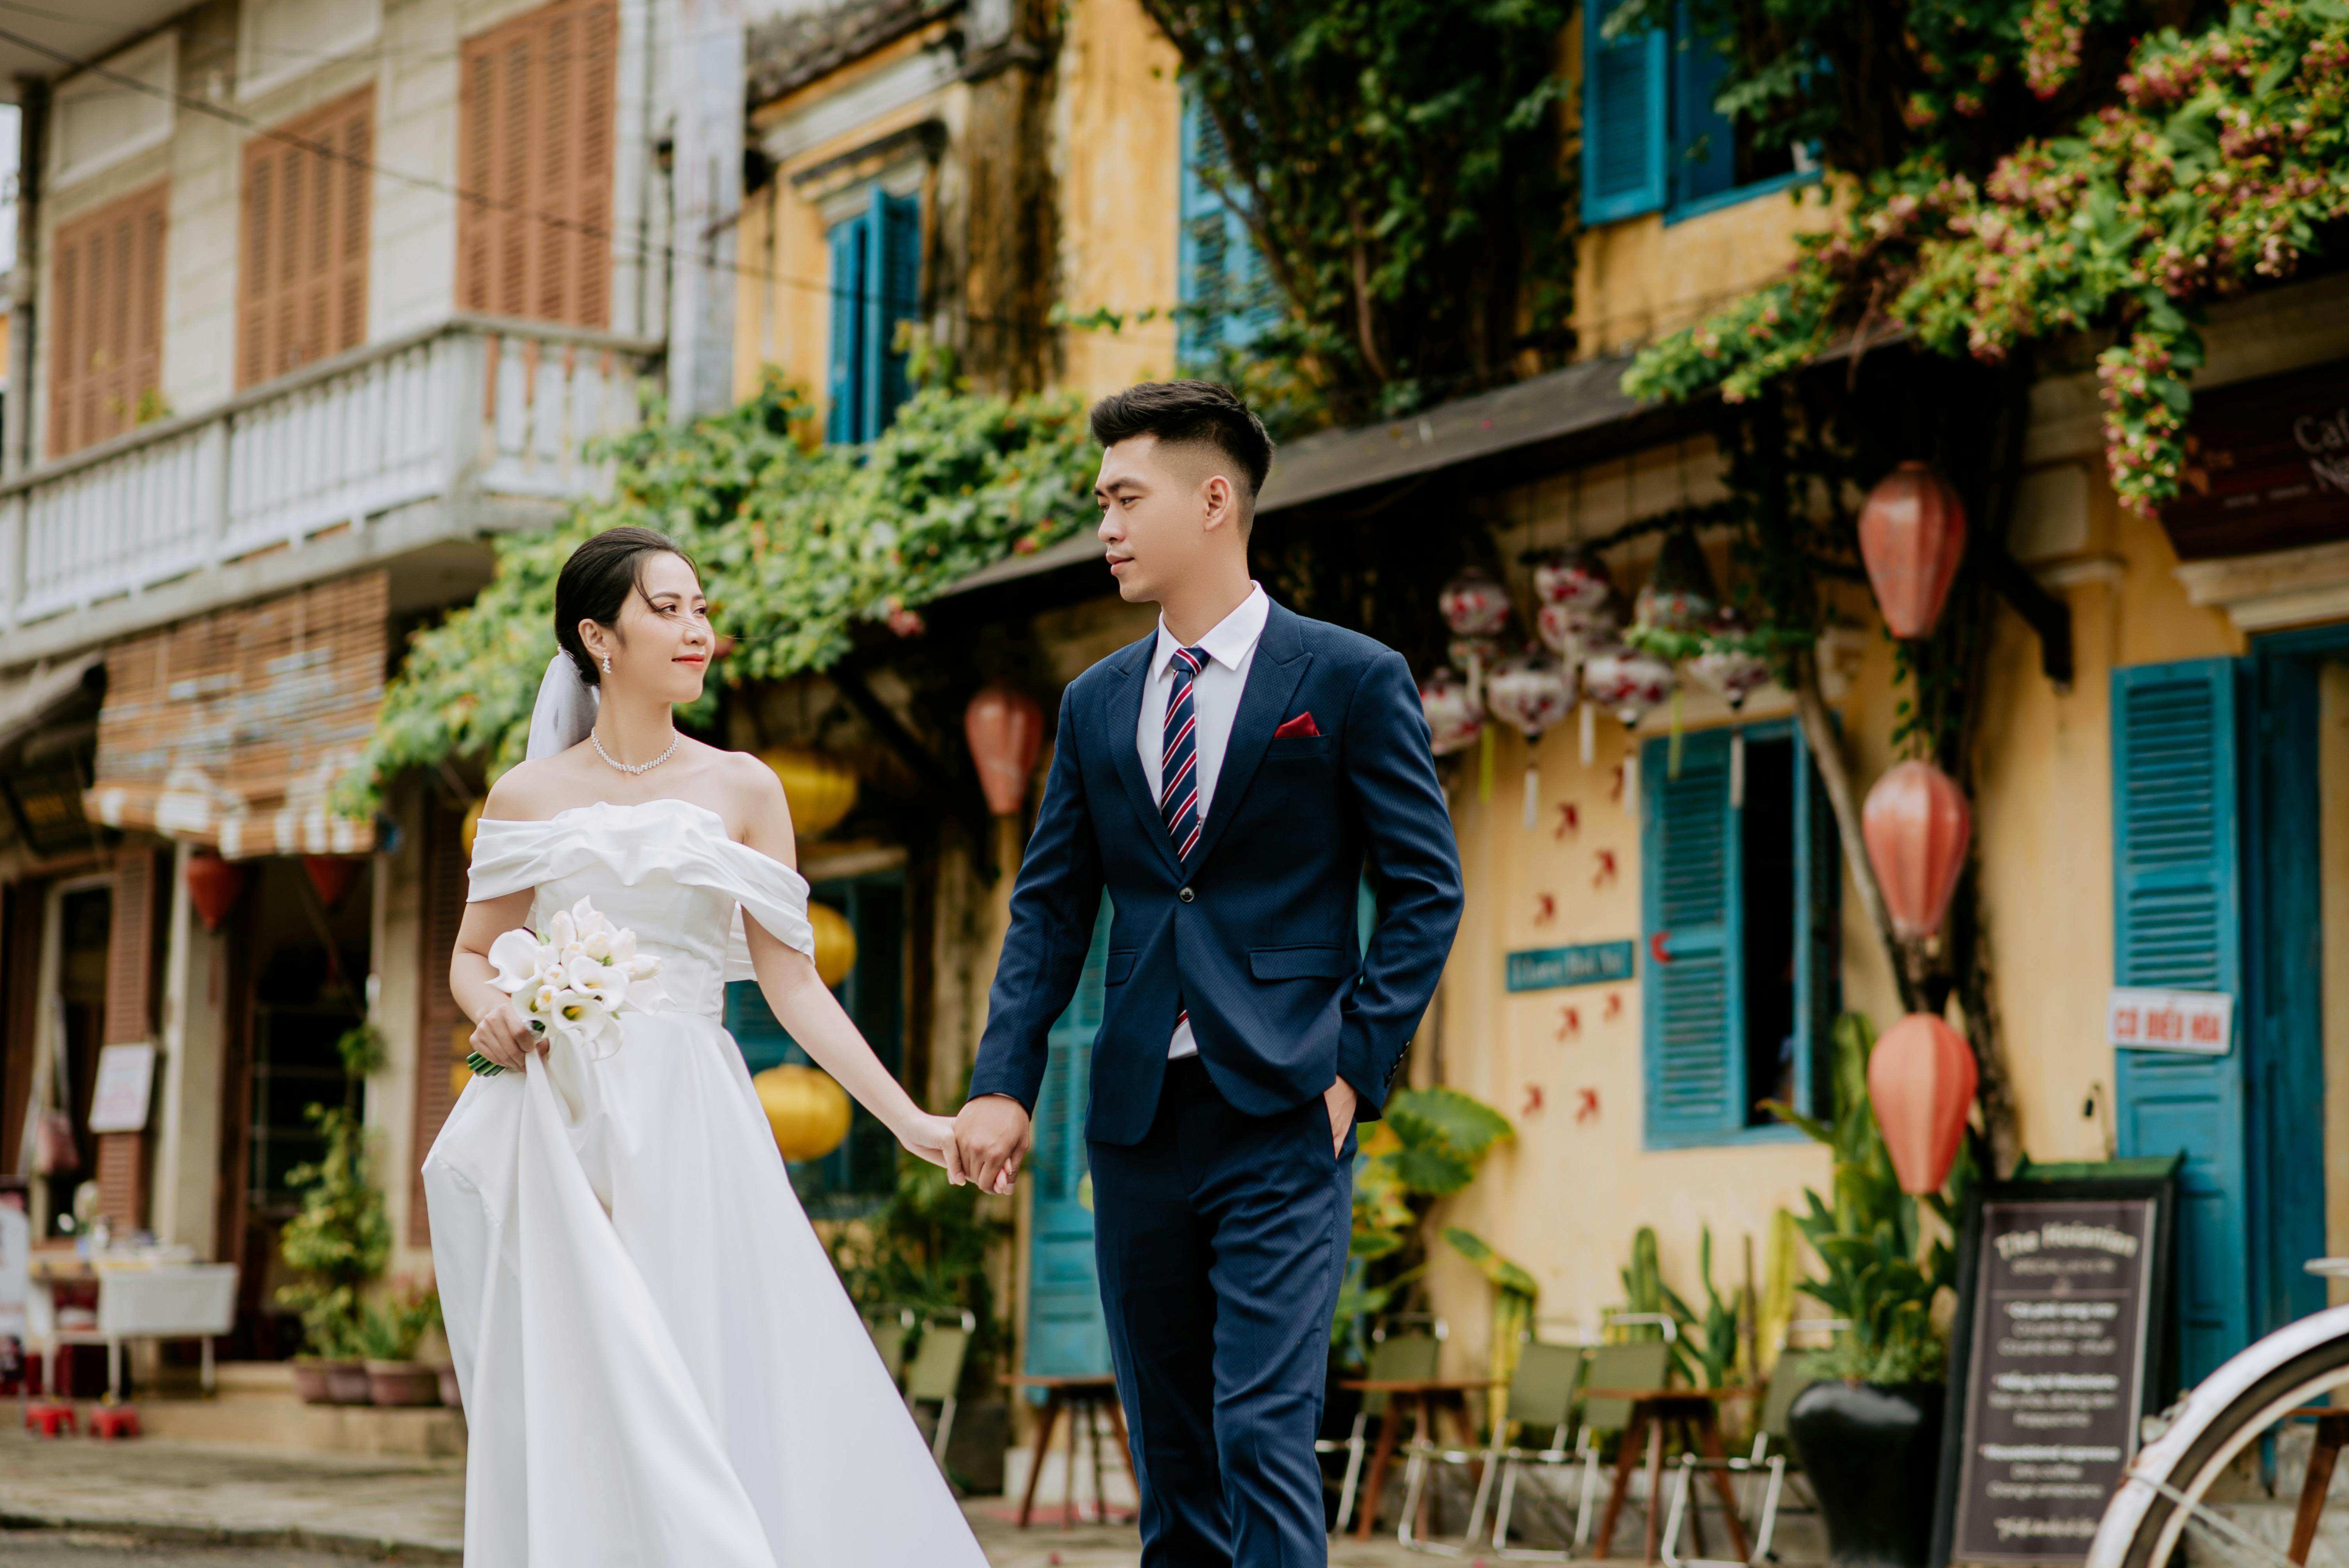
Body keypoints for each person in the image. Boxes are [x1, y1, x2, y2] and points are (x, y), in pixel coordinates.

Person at [948, 381, 1464, 1566]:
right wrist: (1003, 1083)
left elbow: (1426, 892)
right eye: (1102, 503)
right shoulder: (1095, 705)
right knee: (1172, 1458)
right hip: (1135, 1120)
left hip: (1286, 1109)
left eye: (1127, 498)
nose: (1108, 526)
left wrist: (1350, 1071)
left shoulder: (1346, 677)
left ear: (1215, 498)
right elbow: (1050, 911)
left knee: (1259, 1432)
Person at [420, 526, 988, 1567]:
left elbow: (793, 981)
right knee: (586, 1376)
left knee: (702, 1361)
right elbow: (470, 955)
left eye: (701, 609)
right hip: (563, 1119)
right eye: (669, 610)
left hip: (691, 1116)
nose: (699, 631)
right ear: (599, 637)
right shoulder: (526, 796)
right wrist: (493, 1015)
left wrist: (909, 1119)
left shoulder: (746, 789)